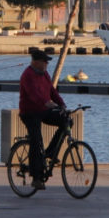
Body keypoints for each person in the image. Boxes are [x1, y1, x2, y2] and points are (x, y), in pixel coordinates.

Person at [19, 50, 68, 190]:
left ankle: (51, 153)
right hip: (29, 113)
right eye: (44, 61)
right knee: (36, 141)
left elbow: (52, 91)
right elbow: (33, 95)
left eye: (47, 61)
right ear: (36, 62)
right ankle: (36, 178)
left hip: (43, 110)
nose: (47, 64)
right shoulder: (27, 75)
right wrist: (46, 102)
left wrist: (62, 104)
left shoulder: (44, 74)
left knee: (66, 121)